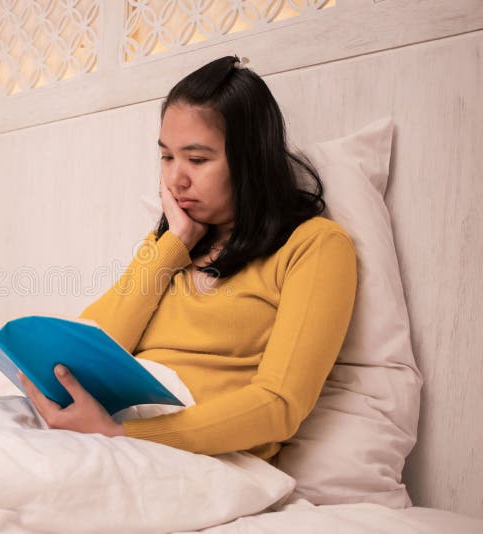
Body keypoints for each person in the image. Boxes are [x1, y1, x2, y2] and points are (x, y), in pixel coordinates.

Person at [18, 55, 357, 463]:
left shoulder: (314, 246)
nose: (176, 179)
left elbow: (278, 404)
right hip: (110, 433)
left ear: (250, 160)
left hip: (199, 454)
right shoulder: (171, 243)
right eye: (167, 157)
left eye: (197, 160)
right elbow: (91, 349)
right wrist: (173, 242)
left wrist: (125, 435)